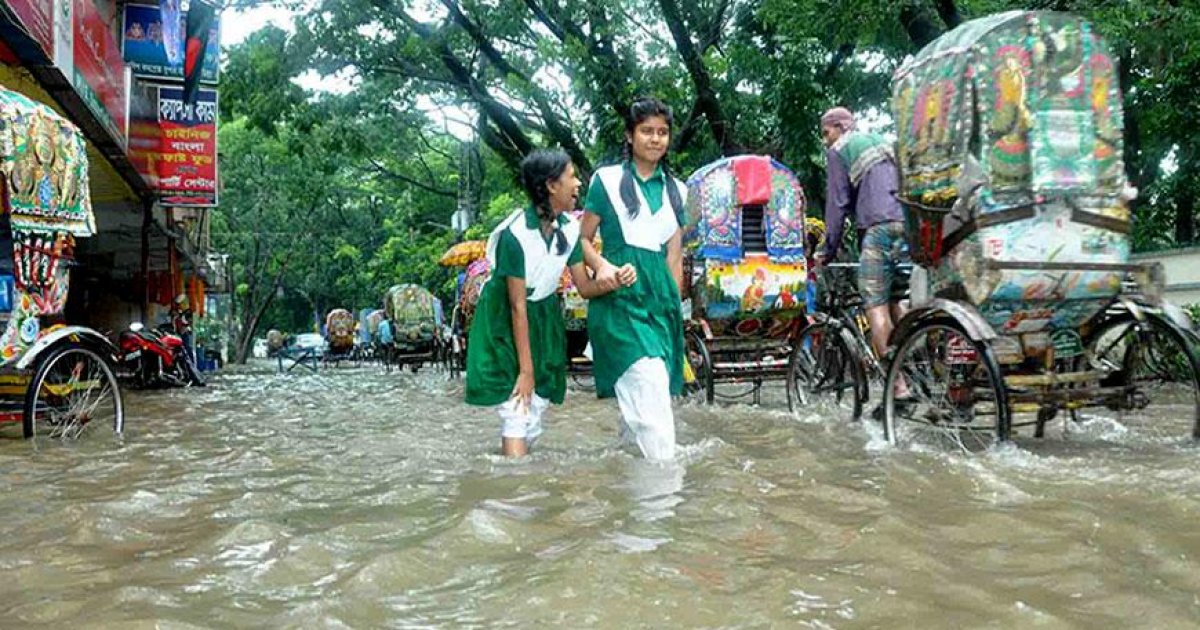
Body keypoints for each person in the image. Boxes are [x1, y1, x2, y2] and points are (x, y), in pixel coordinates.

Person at [465, 148, 613, 457]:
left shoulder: (570, 230)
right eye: (571, 177)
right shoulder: (515, 234)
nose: (578, 185)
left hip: (544, 316)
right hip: (504, 319)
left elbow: (584, 287)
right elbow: (517, 306)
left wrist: (614, 281)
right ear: (551, 185)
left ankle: (515, 469)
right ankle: (517, 491)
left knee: (536, 411)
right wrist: (526, 370)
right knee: (517, 406)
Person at [580, 97, 688, 461]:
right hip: (619, 300)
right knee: (650, 386)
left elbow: (675, 257)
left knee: (645, 400)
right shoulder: (606, 181)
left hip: (660, 304)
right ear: (630, 135)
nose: (656, 139)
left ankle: (633, 492)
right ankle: (666, 494)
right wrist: (602, 266)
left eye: (662, 132)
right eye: (647, 131)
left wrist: (677, 310)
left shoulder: (678, 190)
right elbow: (579, 240)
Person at [816, 107, 910, 367]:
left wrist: (827, 250)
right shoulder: (883, 142)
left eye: (827, 133)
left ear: (841, 127)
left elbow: (837, 204)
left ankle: (898, 387)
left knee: (875, 305)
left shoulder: (839, 150)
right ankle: (917, 370)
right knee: (898, 300)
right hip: (907, 227)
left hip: (877, 229)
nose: (826, 140)